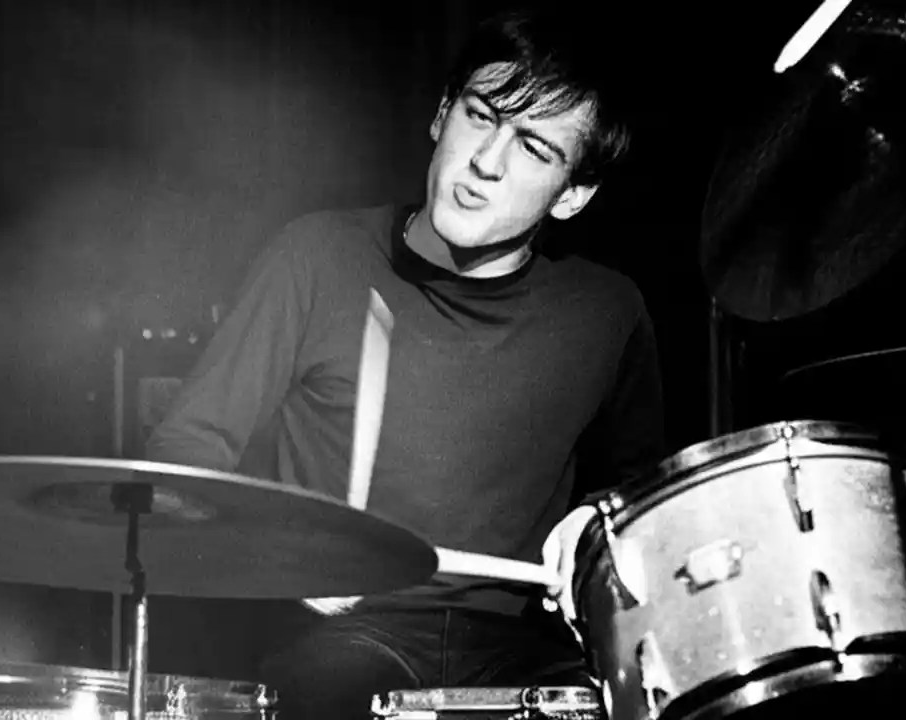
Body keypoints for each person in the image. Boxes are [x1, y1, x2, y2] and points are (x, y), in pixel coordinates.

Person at [146, 6, 665, 718]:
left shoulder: (607, 312)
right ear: (441, 114)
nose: (486, 162)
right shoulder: (319, 258)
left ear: (573, 195)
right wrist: (275, 550)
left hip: (526, 643)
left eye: (534, 149)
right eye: (480, 117)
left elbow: (642, 512)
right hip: (344, 635)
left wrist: (599, 531)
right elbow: (183, 456)